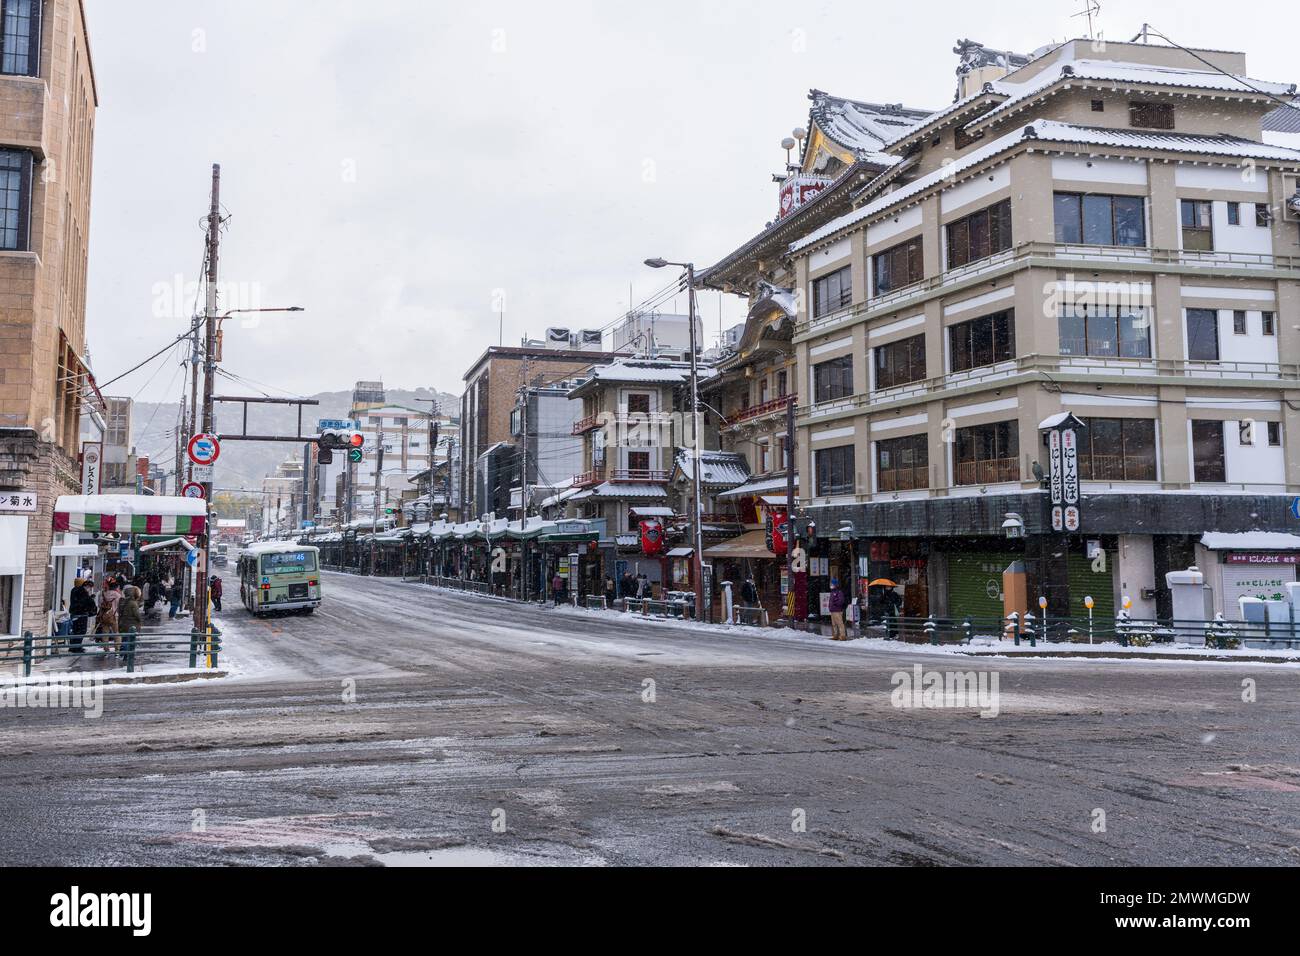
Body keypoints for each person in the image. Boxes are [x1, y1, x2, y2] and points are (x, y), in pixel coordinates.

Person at [68, 579, 96, 654]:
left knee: (75, 630)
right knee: (81, 631)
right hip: (81, 614)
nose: (90, 589)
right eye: (90, 587)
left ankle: (73, 646)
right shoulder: (82, 591)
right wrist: (91, 598)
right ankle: (76, 647)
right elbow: (86, 602)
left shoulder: (74, 590)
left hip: (74, 613)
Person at [96, 577, 123, 643]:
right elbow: (120, 606)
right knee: (116, 633)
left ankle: (106, 650)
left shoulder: (102, 594)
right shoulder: (118, 595)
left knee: (105, 634)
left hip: (105, 616)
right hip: (114, 616)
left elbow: (99, 605)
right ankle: (117, 650)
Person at [117, 585, 143, 652]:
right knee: (130, 640)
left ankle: (123, 652)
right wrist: (140, 620)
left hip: (123, 623)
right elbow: (136, 615)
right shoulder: (133, 603)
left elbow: (119, 611)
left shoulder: (122, 601)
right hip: (132, 624)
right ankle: (127, 655)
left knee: (124, 639)